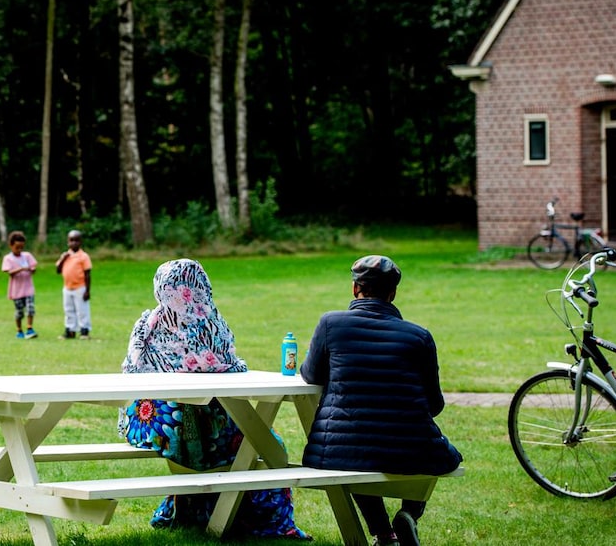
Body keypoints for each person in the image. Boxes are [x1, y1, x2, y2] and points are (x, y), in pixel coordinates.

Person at [118, 259, 308, 539]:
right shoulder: (209, 324)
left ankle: (190, 512)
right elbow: (230, 365)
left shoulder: (148, 322)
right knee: (267, 443)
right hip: (191, 427)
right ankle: (265, 522)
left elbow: (130, 369)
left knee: (225, 446)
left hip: (149, 425)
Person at [301, 255, 462, 546]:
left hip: (341, 446)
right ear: (393, 293)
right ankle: (409, 514)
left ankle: (384, 534)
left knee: (357, 455)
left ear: (354, 288)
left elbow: (311, 375)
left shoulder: (330, 324)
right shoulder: (419, 336)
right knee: (446, 456)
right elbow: (434, 405)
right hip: (410, 446)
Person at [55, 229, 92, 340]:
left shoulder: (83, 256)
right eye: (71, 241)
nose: (73, 243)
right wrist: (63, 259)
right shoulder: (65, 256)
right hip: (67, 287)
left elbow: (87, 274)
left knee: (82, 310)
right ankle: (70, 330)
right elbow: (58, 270)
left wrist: (87, 290)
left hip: (80, 287)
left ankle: (84, 330)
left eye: (76, 241)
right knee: (68, 309)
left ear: (80, 242)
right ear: (68, 242)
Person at [1, 230, 38, 339]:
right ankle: (19, 330)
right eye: (17, 247)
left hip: (28, 288)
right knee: (19, 312)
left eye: (21, 247)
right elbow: (9, 272)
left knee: (31, 308)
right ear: (11, 245)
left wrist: (32, 269)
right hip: (17, 290)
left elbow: (33, 267)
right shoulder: (8, 258)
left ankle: (30, 328)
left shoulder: (27, 256)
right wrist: (20, 269)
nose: (19, 250)